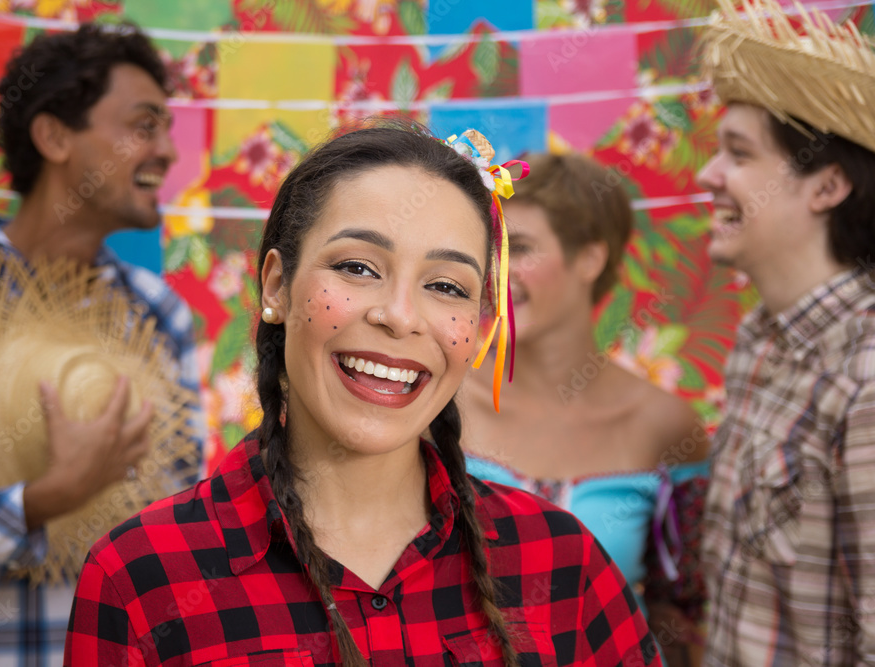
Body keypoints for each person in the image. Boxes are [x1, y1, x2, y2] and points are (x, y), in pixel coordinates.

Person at [63, 123, 662, 666]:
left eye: (446, 285)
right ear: (276, 286)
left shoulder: (562, 563)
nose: (400, 317)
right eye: (357, 268)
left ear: (477, 327)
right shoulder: (141, 578)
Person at [0, 24, 202, 664]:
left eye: (167, 128)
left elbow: (175, 554)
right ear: (54, 136)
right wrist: (37, 504)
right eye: (143, 125)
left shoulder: (158, 317)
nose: (168, 151)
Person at [460, 151, 708, 665]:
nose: (494, 268)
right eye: (489, 248)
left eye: (520, 247)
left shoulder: (665, 427)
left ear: (590, 260)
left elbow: (680, 615)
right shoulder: (440, 402)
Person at [696, 1, 875, 664]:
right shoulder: (758, 340)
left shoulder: (866, 380)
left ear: (827, 185)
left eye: (738, 154)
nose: (707, 176)